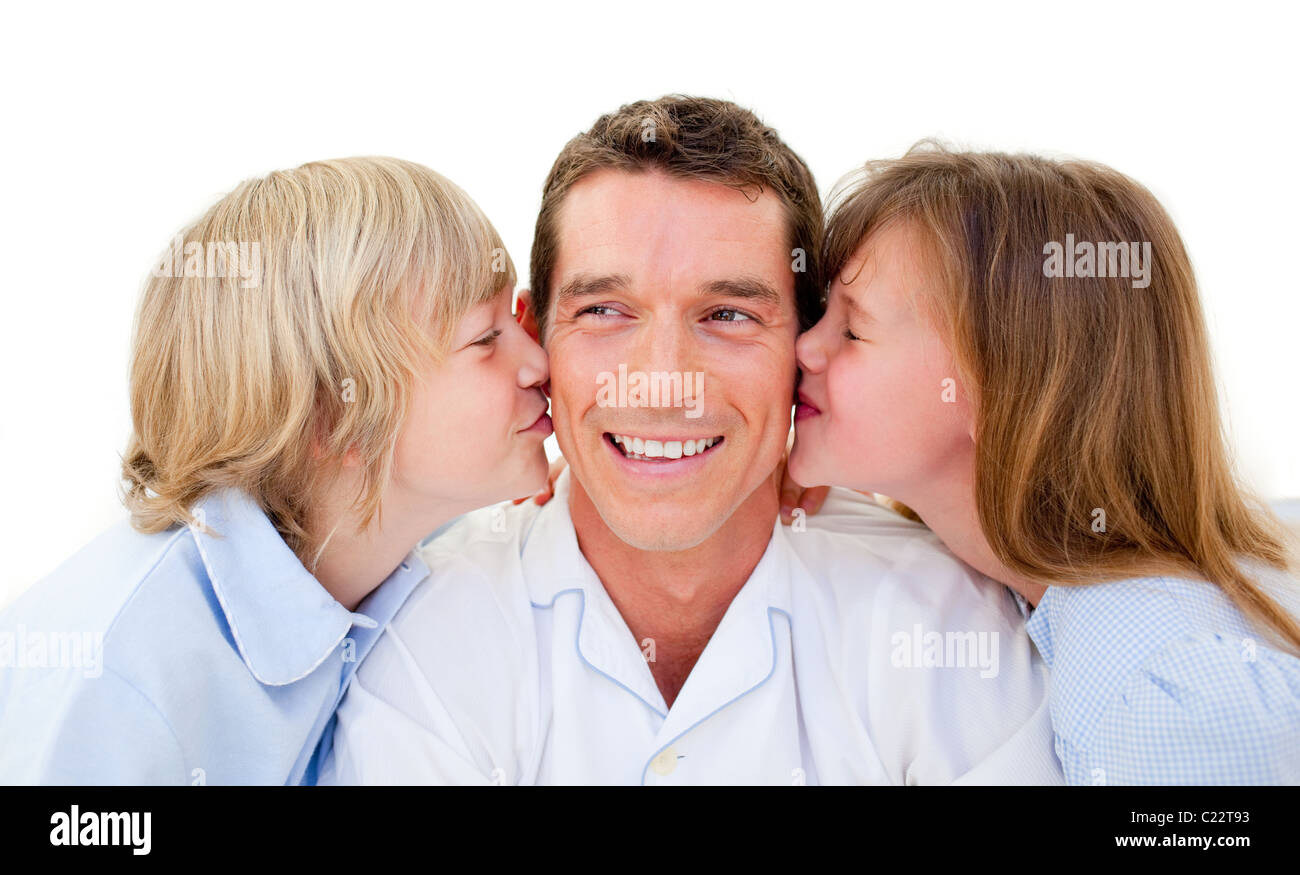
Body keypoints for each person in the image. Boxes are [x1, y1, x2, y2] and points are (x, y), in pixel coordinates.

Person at [323, 97, 1064, 785]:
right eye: (606, 311)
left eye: (729, 315)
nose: (663, 381)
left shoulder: (942, 625)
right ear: (534, 332)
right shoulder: (427, 637)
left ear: (805, 346)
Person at [0, 157, 552, 784]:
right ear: (334, 417)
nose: (539, 359)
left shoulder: (380, 550)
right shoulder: (121, 680)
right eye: (485, 339)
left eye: (520, 320)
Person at [788, 144, 1300, 784]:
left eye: (852, 330)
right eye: (820, 315)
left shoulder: (1156, 694)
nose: (804, 346)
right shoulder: (1100, 598)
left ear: (997, 393)